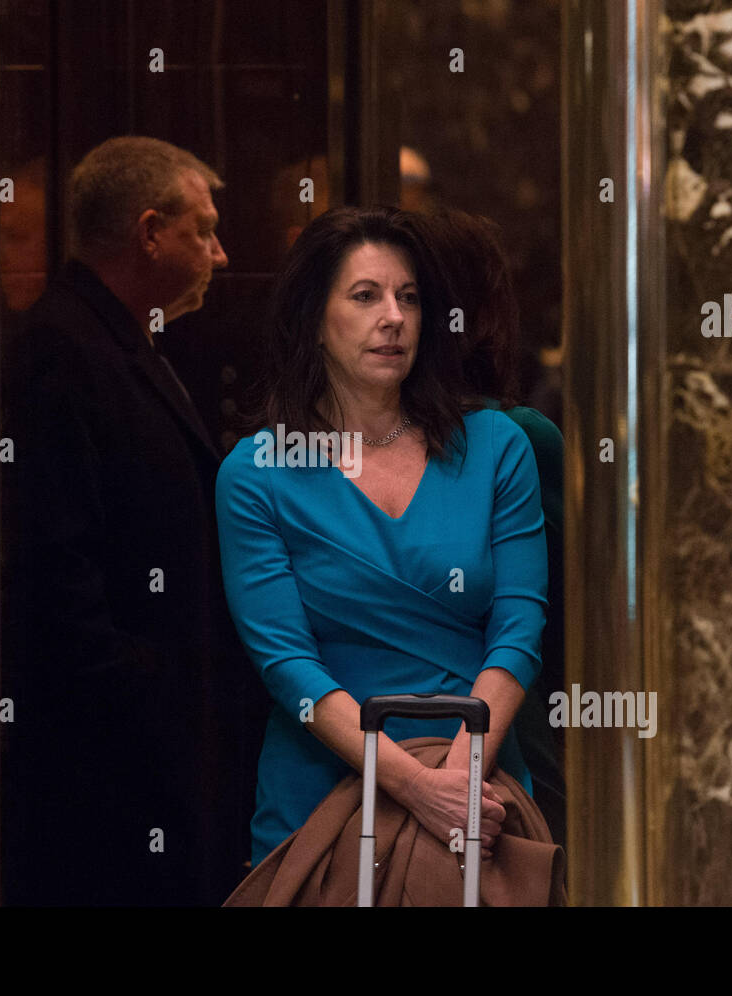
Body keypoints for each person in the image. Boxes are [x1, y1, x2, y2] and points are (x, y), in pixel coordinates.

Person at [216, 205, 549, 869]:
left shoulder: (496, 447)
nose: (393, 317)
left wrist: (460, 774)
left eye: (410, 298)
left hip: (481, 793)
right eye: (365, 296)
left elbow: (520, 624)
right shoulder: (257, 472)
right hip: (320, 797)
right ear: (313, 319)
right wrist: (418, 788)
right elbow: (286, 663)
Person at [4, 135, 265, 905]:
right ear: (149, 231)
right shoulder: (63, 347)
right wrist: (151, 701)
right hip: (104, 768)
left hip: (155, 749)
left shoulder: (128, 342)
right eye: (203, 231)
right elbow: (55, 566)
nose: (220, 256)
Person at [403, 206, 568, 847]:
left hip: (500, 745)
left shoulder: (509, 439)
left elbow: (537, 621)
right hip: (385, 750)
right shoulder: (328, 452)